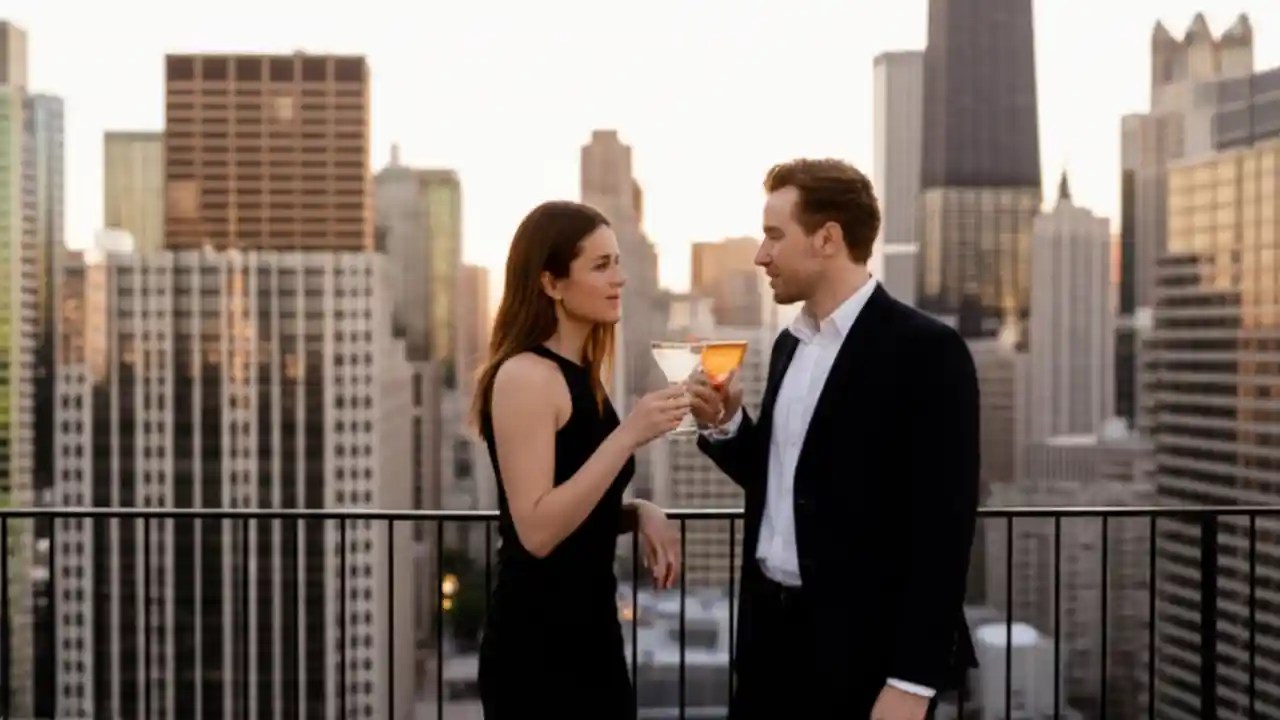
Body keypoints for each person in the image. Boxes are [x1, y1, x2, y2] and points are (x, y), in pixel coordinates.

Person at [688, 159, 980, 720]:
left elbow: (945, 528)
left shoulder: (927, 352)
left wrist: (911, 682)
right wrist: (728, 425)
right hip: (769, 650)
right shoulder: (788, 347)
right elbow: (790, 483)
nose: (760, 255)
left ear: (827, 239)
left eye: (775, 235)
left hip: (865, 660)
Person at [471, 200, 690, 718]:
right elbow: (538, 531)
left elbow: (577, 502)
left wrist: (637, 514)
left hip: (593, 636)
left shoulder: (583, 372)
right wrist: (629, 435)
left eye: (617, 262)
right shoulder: (526, 376)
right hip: (537, 650)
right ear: (551, 283)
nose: (620, 278)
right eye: (600, 265)